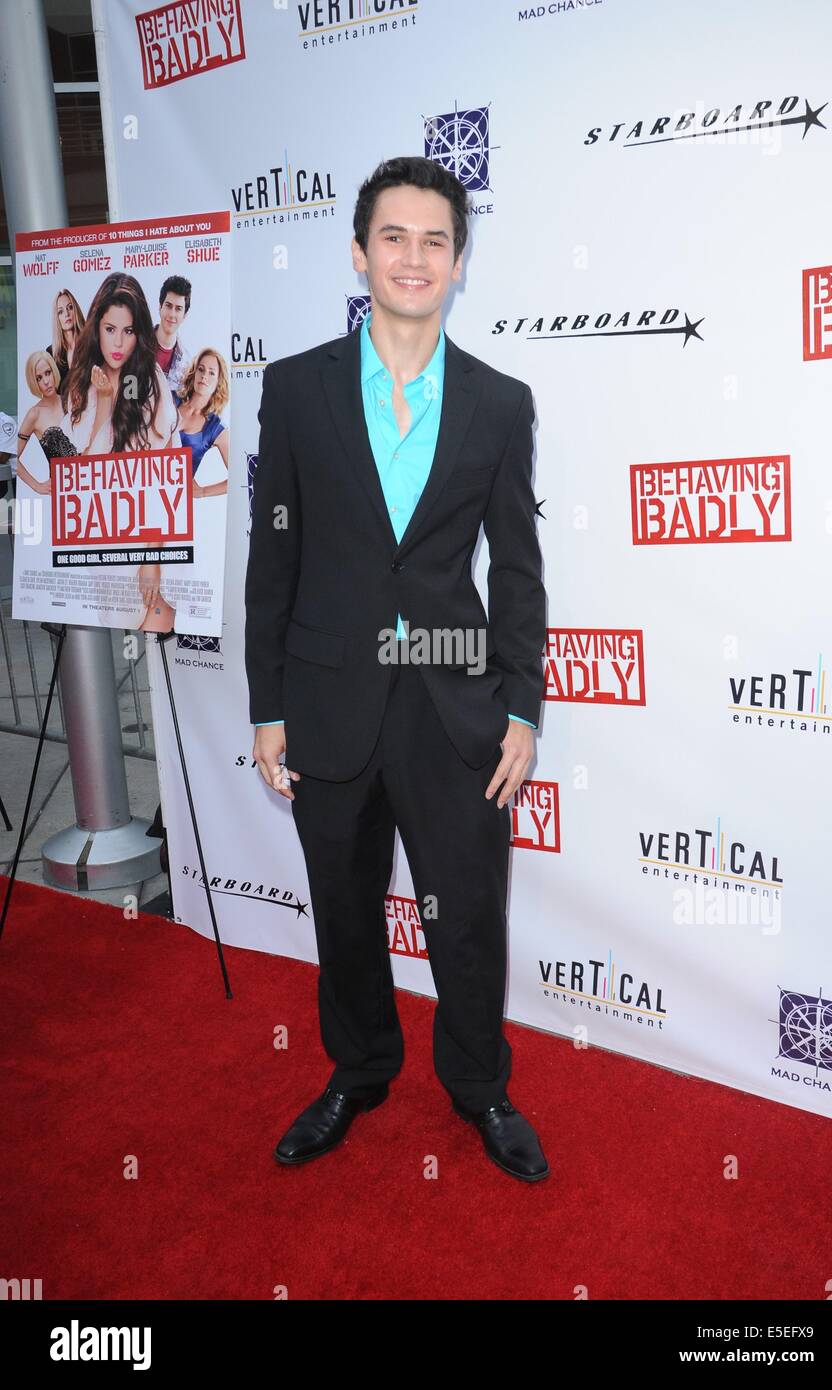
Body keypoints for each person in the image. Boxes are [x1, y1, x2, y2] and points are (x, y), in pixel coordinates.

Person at [244, 155, 549, 1183]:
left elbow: (517, 566)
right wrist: (266, 705)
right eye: (394, 237)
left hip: (453, 700)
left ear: (459, 262)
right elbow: (273, 555)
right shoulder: (293, 389)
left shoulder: (502, 404)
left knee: (466, 915)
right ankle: (359, 1071)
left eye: (435, 241)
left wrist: (522, 708)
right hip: (327, 699)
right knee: (343, 905)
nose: (413, 258)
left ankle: (480, 1087)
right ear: (359, 251)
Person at [61, 272, 182, 632]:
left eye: (128, 331)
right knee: (115, 619)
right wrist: (101, 402)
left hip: (144, 535)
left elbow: (164, 475)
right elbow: (72, 468)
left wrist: (151, 558)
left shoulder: (151, 382)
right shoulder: (81, 383)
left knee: (161, 622)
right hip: (100, 538)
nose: (118, 342)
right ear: (96, 327)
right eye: (110, 328)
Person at [171, 348, 230, 493]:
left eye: (211, 373)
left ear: (218, 382)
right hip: (145, 487)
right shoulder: (171, 400)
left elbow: (239, 477)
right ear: (194, 373)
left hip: (175, 501)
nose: (204, 376)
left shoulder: (215, 428)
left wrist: (202, 492)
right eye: (201, 369)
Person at [14, 352, 66, 493]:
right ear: (34, 382)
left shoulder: (73, 402)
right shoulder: (34, 414)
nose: (46, 381)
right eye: (39, 378)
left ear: (54, 371)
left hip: (89, 482)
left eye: (48, 373)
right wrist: (37, 486)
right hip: (61, 490)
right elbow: (12, 456)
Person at [154, 276, 192, 394]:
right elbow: (128, 394)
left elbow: (182, 404)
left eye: (178, 309)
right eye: (168, 306)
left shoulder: (187, 364)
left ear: (185, 315)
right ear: (160, 307)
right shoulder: (137, 346)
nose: (172, 314)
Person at [45, 287, 85, 396]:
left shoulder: (92, 344)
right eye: (60, 312)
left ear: (75, 310)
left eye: (70, 307)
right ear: (57, 318)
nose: (66, 314)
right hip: (64, 411)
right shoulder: (51, 353)